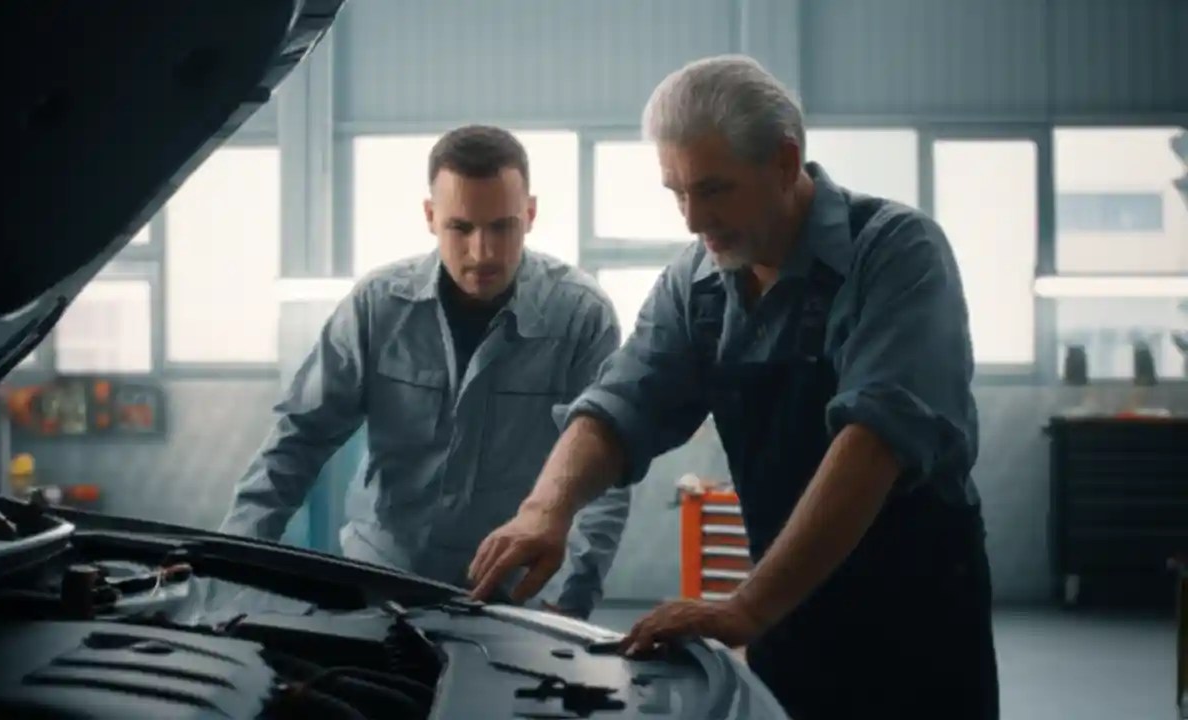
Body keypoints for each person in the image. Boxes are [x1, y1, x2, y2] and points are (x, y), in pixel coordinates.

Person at [467, 56, 999, 719]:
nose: (692, 220)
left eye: (714, 190)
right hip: (789, 607)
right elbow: (622, 401)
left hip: (914, 613)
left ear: (784, 160)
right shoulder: (698, 284)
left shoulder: (895, 252)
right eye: (677, 193)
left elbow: (874, 443)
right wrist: (546, 509)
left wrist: (748, 605)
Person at [220, 125, 631, 620]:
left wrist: (569, 603)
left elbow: (603, 470)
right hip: (381, 581)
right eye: (461, 228)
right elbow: (299, 438)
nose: (483, 253)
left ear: (531, 214)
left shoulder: (581, 317)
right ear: (430, 217)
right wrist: (230, 570)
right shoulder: (377, 308)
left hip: (517, 596)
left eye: (503, 227)